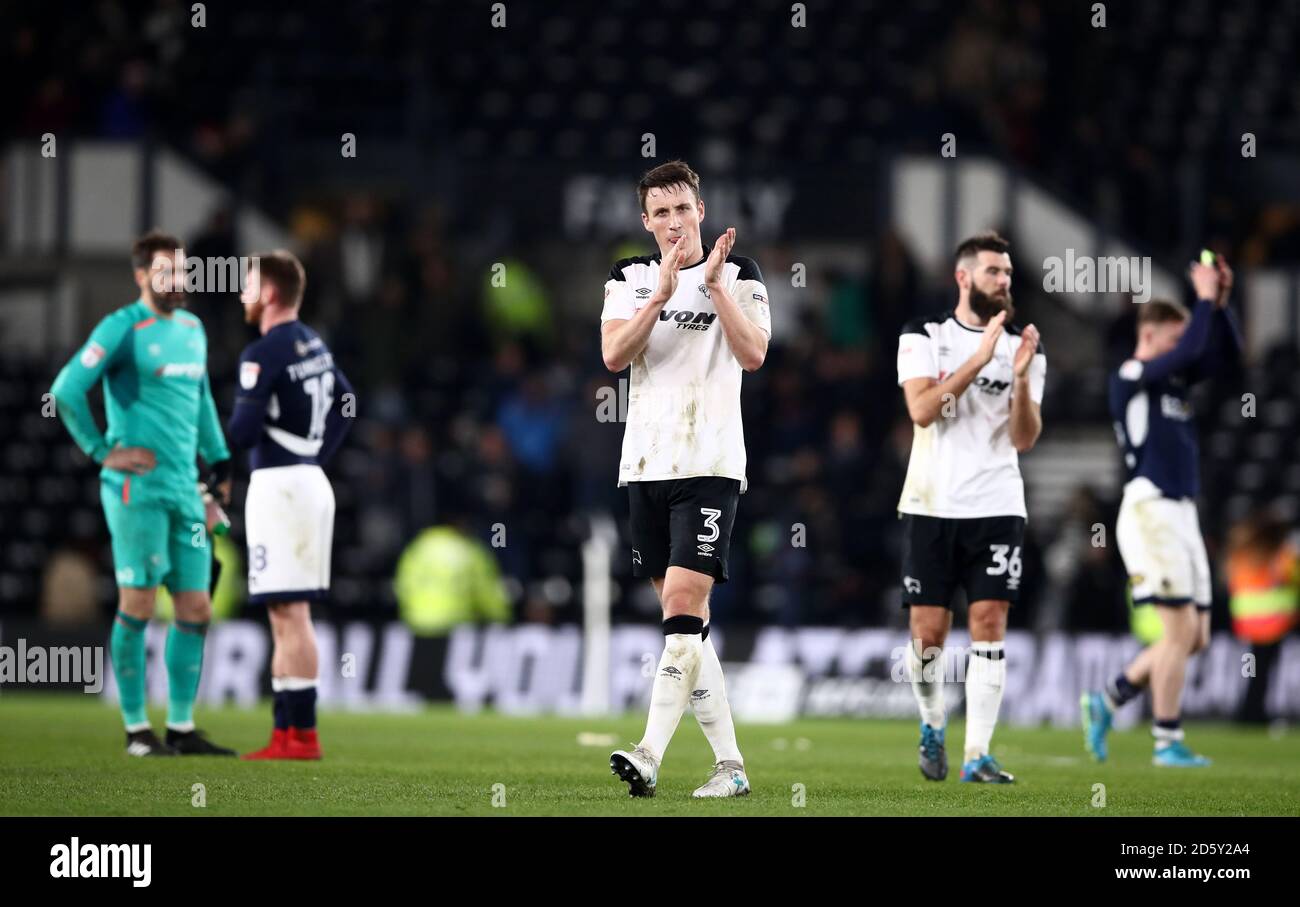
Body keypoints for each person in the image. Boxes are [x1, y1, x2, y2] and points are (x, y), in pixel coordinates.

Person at [600, 160, 771, 798]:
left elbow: (753, 354)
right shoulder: (629, 277)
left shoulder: (742, 273)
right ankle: (731, 766)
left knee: (680, 607)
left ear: (701, 210)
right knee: (687, 627)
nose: (673, 223)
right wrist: (663, 294)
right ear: (646, 222)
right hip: (645, 463)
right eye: (660, 213)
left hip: (712, 463)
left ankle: (648, 753)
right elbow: (615, 356)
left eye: (683, 209)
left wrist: (716, 287)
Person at [50, 230, 235, 757]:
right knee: (139, 601)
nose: (178, 281)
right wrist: (100, 450)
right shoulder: (123, 328)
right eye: (166, 273)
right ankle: (136, 730)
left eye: (182, 273)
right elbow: (65, 390)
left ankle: (179, 727)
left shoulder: (194, 329)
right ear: (141, 276)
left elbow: (200, 402)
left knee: (196, 607)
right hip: (138, 489)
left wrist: (219, 462)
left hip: (185, 490)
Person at [896, 232, 1045, 783]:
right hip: (932, 503)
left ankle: (977, 754)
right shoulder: (925, 334)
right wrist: (979, 357)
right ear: (964, 277)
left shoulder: (1026, 346)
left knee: (989, 620)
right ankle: (933, 722)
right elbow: (922, 410)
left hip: (998, 502)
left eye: (1007, 272)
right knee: (929, 634)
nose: (1003, 281)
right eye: (992, 272)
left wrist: (1022, 377)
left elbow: (1024, 438)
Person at [1082, 254, 1242, 766]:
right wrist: (1202, 300)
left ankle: (1107, 699)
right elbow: (1195, 344)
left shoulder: (1170, 384)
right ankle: (1166, 741)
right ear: (1151, 336)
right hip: (1150, 510)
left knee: (1194, 636)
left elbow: (1226, 359)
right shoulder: (1131, 374)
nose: (1183, 353)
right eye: (1174, 342)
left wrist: (1220, 304)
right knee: (1177, 634)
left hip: (1181, 513)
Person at [228, 250, 354, 760]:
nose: (241, 293)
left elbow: (241, 432)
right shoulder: (312, 343)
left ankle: (301, 734)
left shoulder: (265, 351)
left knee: (292, 612)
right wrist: (314, 456)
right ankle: (286, 733)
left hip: (282, 488)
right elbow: (347, 401)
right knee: (284, 612)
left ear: (271, 293)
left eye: (249, 284)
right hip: (301, 481)